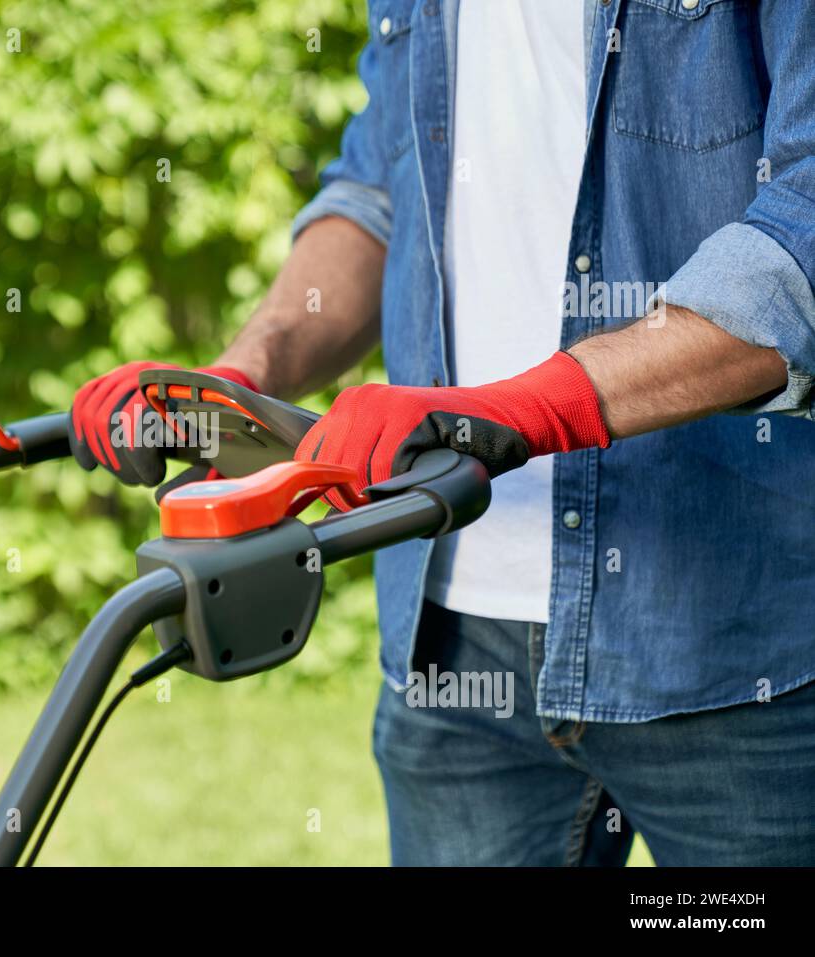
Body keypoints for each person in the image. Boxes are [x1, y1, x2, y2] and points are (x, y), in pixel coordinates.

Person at [68, 0, 815, 865]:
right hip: (452, 644)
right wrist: (245, 377)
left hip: (738, 634)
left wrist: (523, 409)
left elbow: (803, 222)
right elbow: (378, 192)